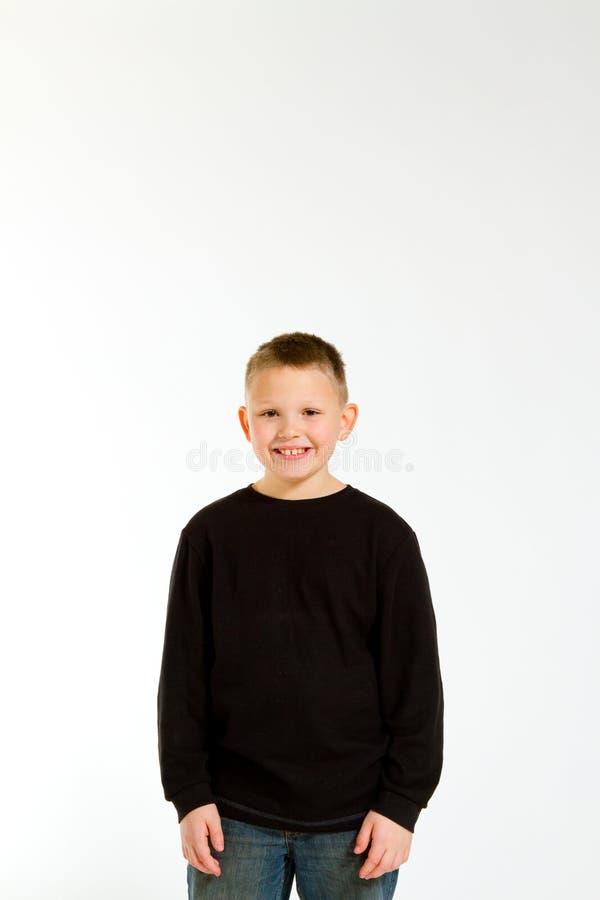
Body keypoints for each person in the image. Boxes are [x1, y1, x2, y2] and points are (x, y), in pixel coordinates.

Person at [157, 331, 444, 899]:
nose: (290, 430)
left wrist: (401, 804)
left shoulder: (384, 538)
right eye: (271, 413)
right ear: (246, 422)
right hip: (232, 816)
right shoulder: (210, 536)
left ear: (345, 420)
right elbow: (183, 677)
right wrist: (189, 794)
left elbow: (415, 684)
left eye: (310, 412)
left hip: (355, 821)